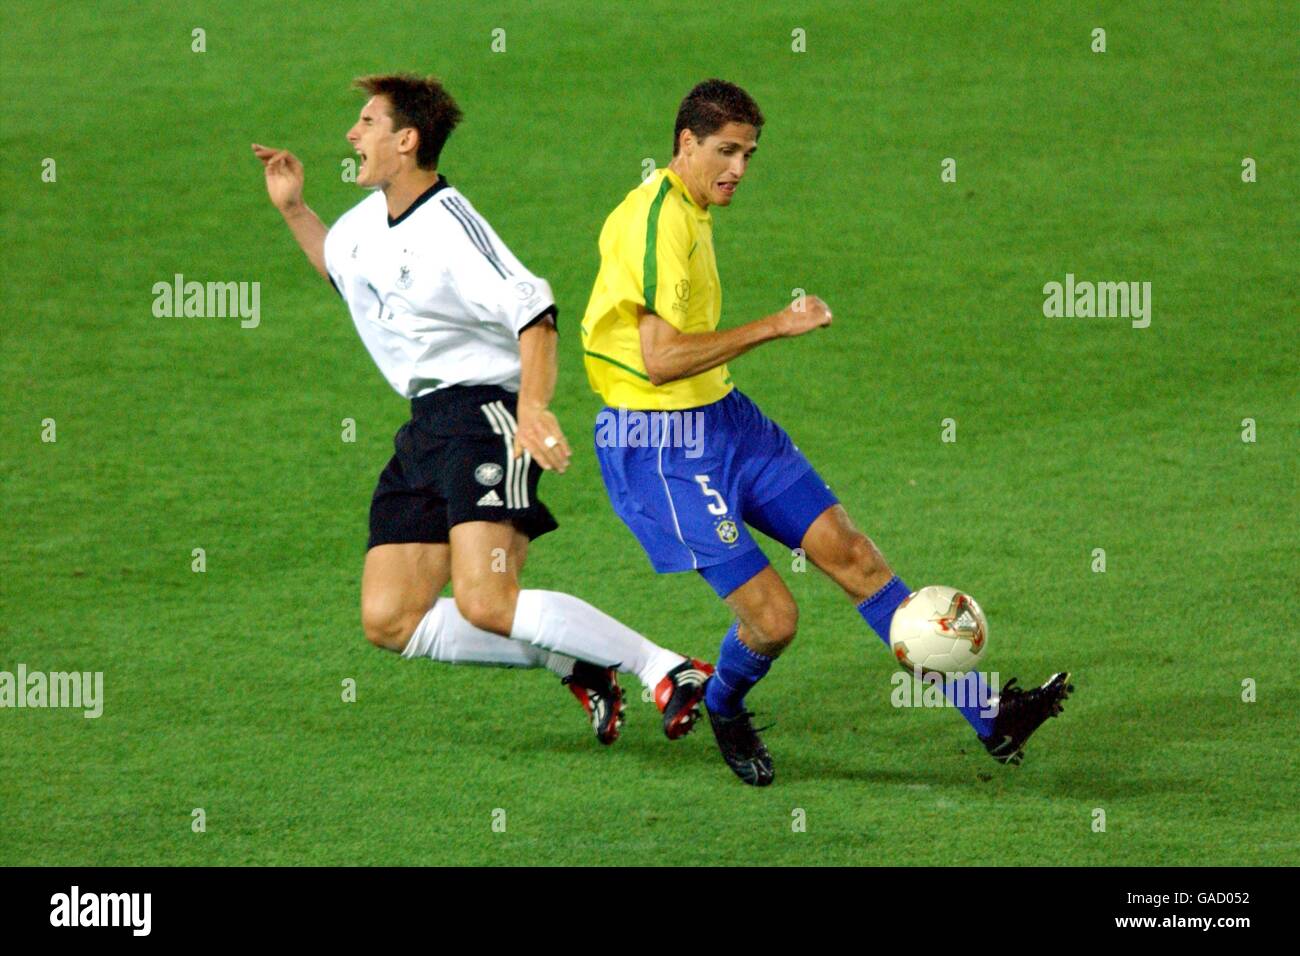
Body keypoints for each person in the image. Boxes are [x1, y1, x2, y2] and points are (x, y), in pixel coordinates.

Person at [580, 78, 1072, 784]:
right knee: (774, 622)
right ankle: (722, 703)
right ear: (685, 144)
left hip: (723, 418)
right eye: (725, 152)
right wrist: (778, 324)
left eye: (749, 154)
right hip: (659, 448)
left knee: (854, 555)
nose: (739, 170)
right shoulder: (653, 222)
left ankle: (989, 715)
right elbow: (658, 363)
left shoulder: (692, 207)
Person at [253, 73, 712, 746]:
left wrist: (533, 408)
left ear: (406, 141)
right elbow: (341, 268)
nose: (352, 135)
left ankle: (666, 667)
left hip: (483, 417)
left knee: (487, 600)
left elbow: (535, 311)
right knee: (390, 620)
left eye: (368, 124)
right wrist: (294, 209)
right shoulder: (360, 225)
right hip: (425, 429)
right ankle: (573, 659)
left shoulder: (450, 225)